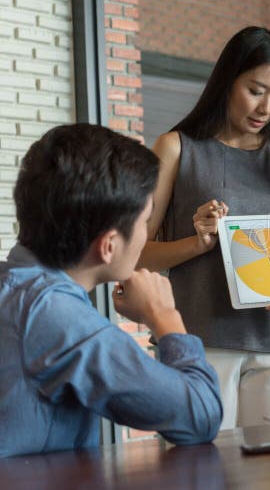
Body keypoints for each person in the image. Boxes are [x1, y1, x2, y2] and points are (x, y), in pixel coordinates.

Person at [138, 27, 270, 430]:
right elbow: (136, 252)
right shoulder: (176, 148)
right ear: (226, 81)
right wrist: (196, 244)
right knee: (200, 465)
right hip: (201, 341)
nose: (266, 107)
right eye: (256, 89)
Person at [0, 124, 222, 458]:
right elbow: (200, 414)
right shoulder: (56, 317)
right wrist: (163, 316)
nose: (146, 237)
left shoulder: (16, 290)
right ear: (108, 246)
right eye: (145, 223)